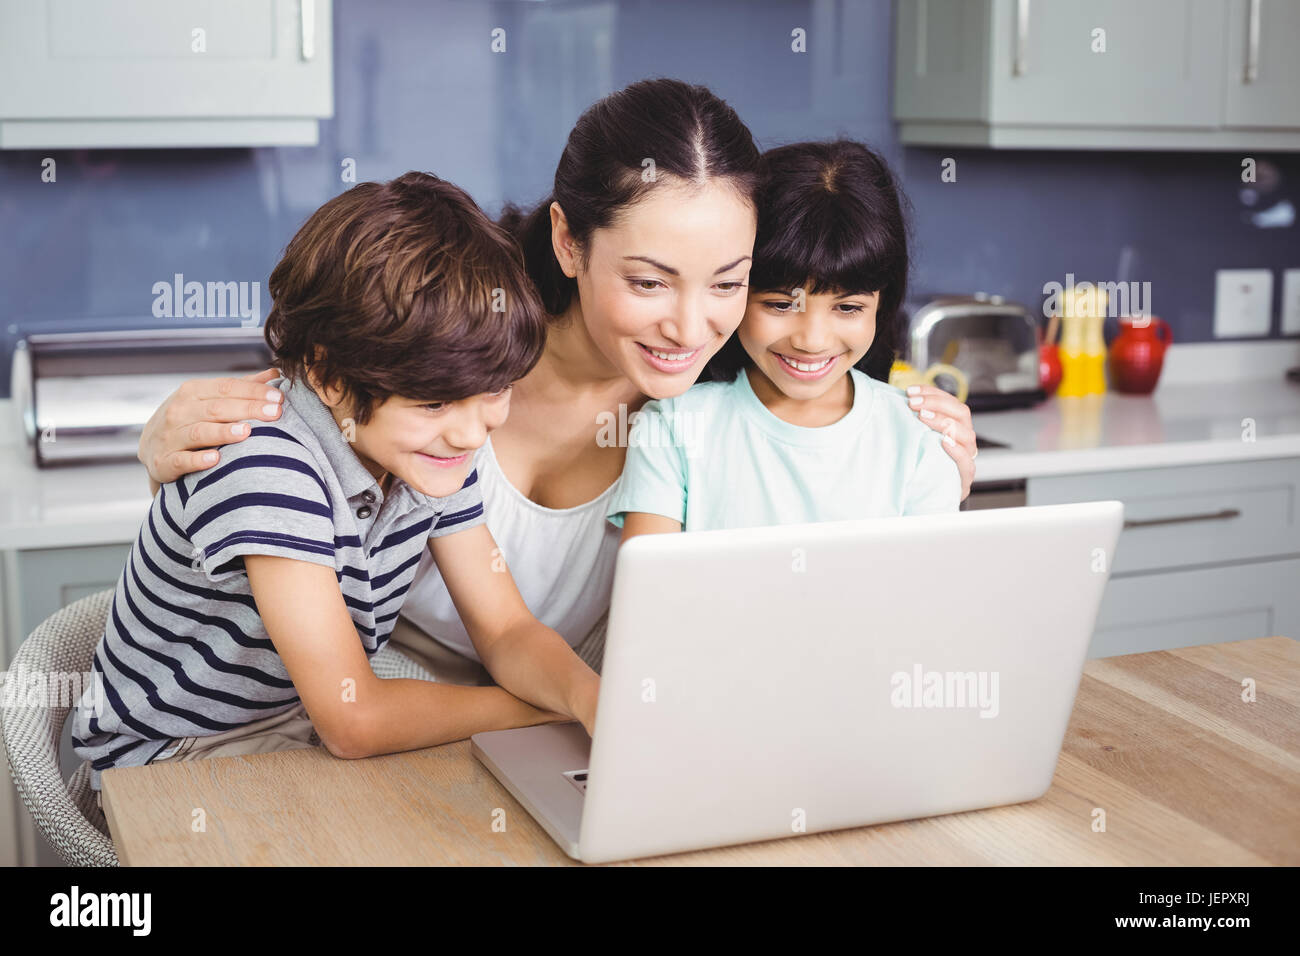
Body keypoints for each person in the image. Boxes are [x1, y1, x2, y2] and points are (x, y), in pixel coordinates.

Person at [134, 79, 977, 687]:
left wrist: (936, 456)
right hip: (387, 711)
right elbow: (312, 400)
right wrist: (161, 434)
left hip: (568, 722)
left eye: (728, 283)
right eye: (648, 282)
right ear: (570, 243)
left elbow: (836, 462)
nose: (689, 328)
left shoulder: (734, 388)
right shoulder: (458, 346)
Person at [72, 172, 598, 795]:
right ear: (327, 374)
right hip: (169, 761)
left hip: (289, 727)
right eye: (432, 404)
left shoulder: (432, 454)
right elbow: (354, 720)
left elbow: (507, 630)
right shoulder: (268, 464)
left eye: (495, 392)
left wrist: (591, 699)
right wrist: (540, 713)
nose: (471, 433)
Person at [609, 140, 960, 537]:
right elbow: (651, 591)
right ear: (734, 288)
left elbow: (931, 589)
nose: (811, 340)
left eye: (847, 308)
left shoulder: (918, 437)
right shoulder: (673, 428)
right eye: (780, 305)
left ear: (882, 304)